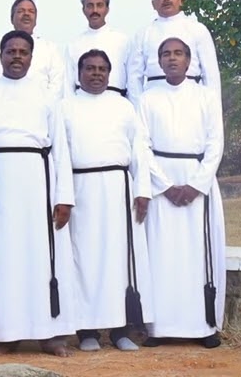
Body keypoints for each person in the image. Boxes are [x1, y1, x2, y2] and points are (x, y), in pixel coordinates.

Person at [0, 30, 76, 357]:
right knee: (2, 259)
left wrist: (64, 197)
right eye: (10, 51)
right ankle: (4, 332)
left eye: (22, 52)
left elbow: (61, 152)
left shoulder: (46, 97)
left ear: (31, 56)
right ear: (0, 56)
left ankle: (49, 333)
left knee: (41, 257)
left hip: (38, 186)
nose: (16, 56)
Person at [62, 49, 154, 352]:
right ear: (79, 73)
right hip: (81, 189)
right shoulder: (65, 107)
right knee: (84, 259)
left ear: (109, 73)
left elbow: (139, 149)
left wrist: (142, 190)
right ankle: (87, 331)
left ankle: (120, 330)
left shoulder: (124, 106)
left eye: (102, 69)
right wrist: (63, 196)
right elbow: (59, 156)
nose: (97, 74)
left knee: (119, 260)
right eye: (90, 68)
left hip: (118, 189)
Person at [139, 37, 226, 348]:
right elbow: (142, 145)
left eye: (178, 54)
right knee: (161, 253)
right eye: (166, 54)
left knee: (198, 254)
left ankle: (204, 327)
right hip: (161, 182)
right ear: (159, 62)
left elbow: (216, 143)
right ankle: (158, 328)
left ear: (189, 61)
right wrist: (164, 185)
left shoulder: (206, 96)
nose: (172, 59)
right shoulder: (148, 98)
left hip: (196, 178)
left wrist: (196, 184)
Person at [126, 0, 221, 107]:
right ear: (153, 4)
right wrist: (138, 107)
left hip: (191, 98)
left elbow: (211, 74)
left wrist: (212, 106)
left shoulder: (197, 29)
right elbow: (134, 76)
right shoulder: (143, 33)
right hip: (154, 99)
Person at [65, 0, 131, 97]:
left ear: (107, 9)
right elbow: (68, 82)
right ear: (83, 10)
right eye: (90, 6)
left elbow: (133, 79)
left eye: (99, 5)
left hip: (115, 101)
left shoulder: (123, 41)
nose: (94, 10)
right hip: (81, 102)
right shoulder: (74, 44)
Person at [10, 0, 65, 101]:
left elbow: (57, 83)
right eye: (21, 11)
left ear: (35, 19)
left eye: (31, 11)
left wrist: (44, 106)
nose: (26, 14)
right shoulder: (1, 46)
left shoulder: (50, 48)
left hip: (41, 109)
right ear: (12, 18)